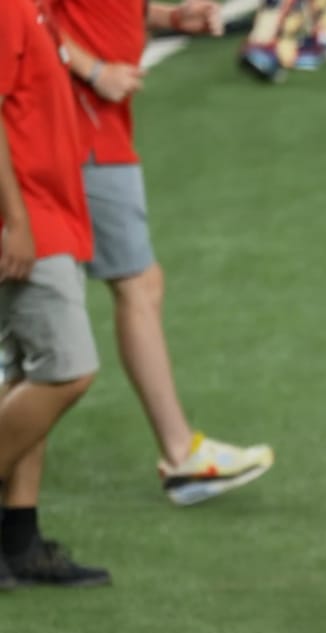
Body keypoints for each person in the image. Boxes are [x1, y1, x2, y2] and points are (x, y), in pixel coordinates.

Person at [51, 0, 276, 506]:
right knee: (131, 283)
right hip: (78, 126)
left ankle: (181, 455)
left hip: (96, 122)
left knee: (130, 285)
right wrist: (93, 69)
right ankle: (180, 455)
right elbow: (25, 19)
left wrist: (172, 18)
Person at [0, 0, 110, 589]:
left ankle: (19, 540)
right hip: (28, 220)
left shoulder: (35, 8)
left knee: (28, 374)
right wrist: (15, 219)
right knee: (66, 372)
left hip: (49, 214)